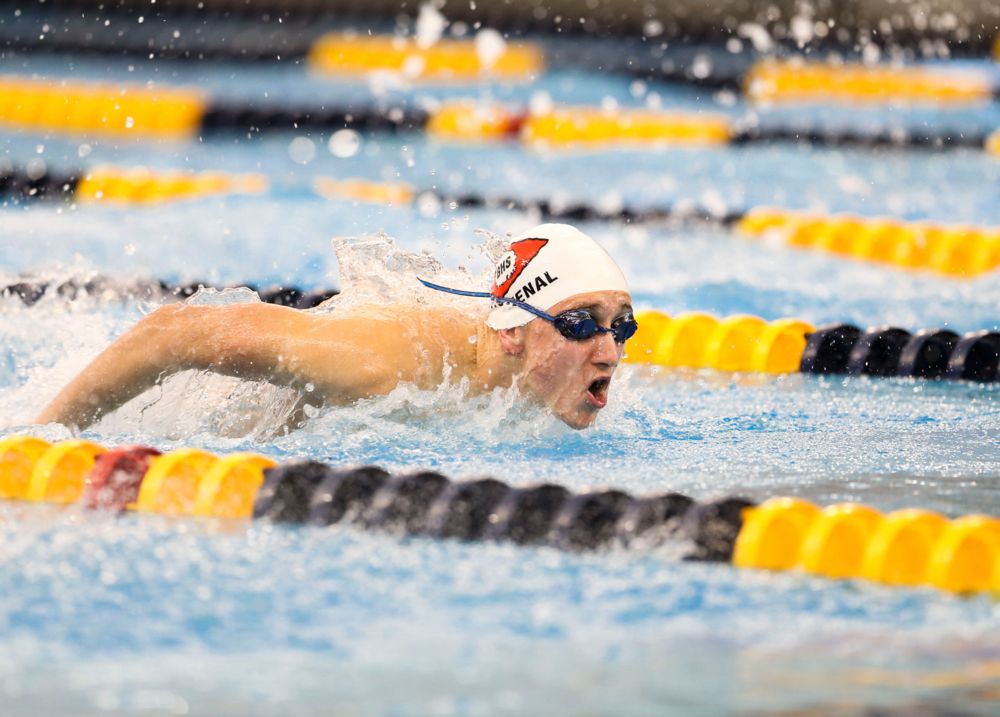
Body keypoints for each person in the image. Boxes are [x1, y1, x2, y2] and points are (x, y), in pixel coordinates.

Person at [36, 223, 637, 431]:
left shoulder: (528, 382)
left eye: (621, 327)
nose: (609, 351)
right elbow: (174, 331)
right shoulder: (387, 365)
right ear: (511, 332)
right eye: (580, 324)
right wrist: (41, 437)